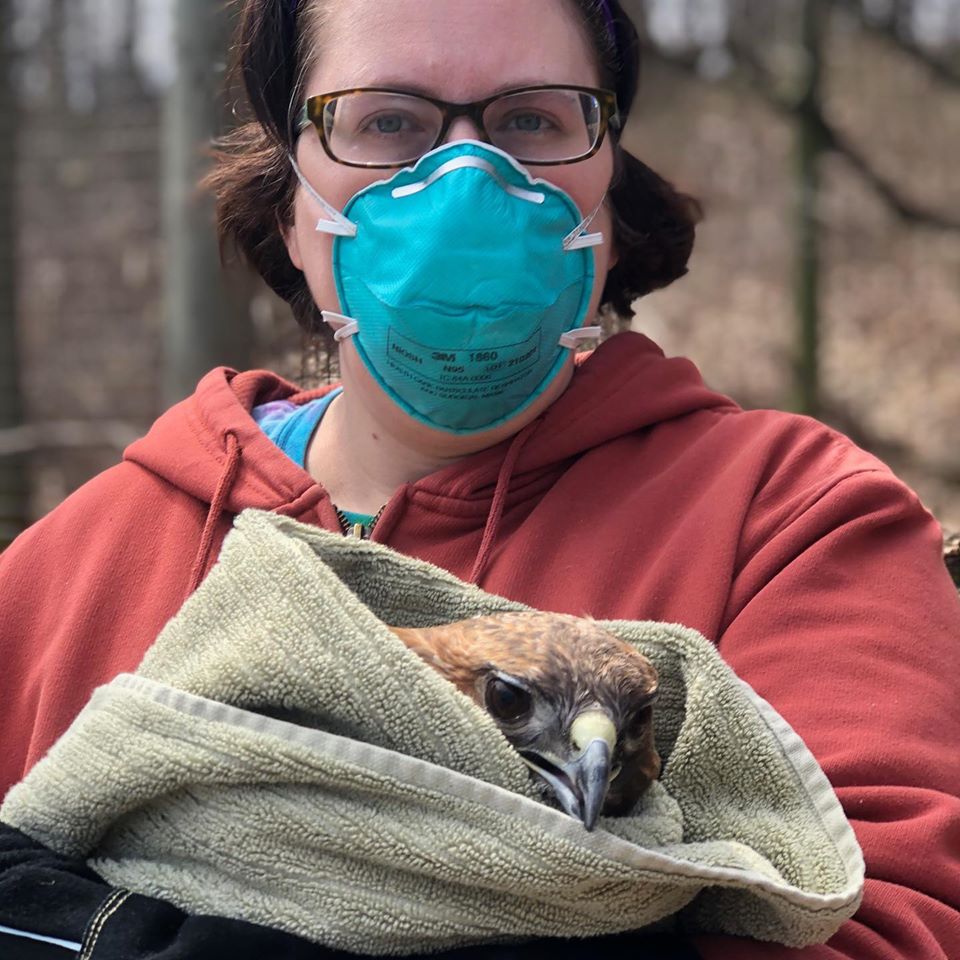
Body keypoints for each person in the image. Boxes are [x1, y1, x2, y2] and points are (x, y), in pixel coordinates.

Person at [0, 0, 957, 958]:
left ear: (610, 201)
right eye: (387, 121)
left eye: (531, 120)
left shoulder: (795, 522)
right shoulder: (64, 573)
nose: (466, 178)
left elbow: (891, 925)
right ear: (290, 207)